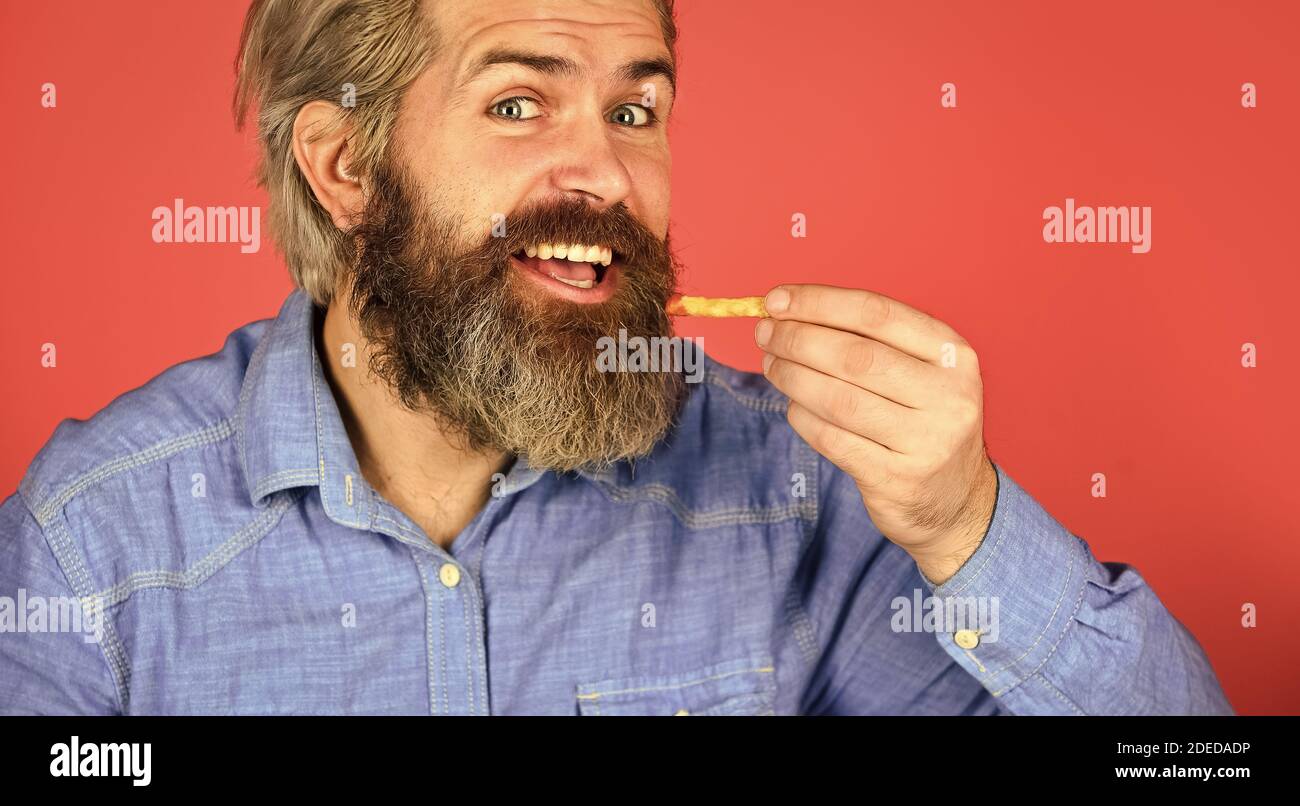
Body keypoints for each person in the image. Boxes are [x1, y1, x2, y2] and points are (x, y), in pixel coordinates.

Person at [0, 0, 1231, 715]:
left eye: (635, 110)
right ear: (347, 168)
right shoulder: (94, 547)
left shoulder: (785, 492)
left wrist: (966, 523)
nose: (604, 173)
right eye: (519, 103)